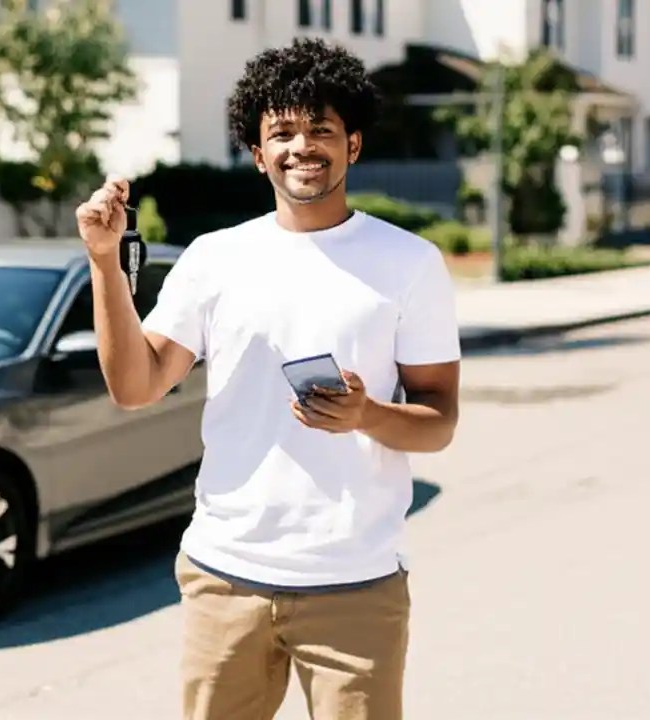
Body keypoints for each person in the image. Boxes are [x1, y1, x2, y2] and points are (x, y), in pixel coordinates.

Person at [74, 38, 462, 720]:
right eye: (282, 131)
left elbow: (440, 421)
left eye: (321, 130)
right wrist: (105, 265)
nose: (301, 146)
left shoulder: (411, 263)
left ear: (353, 145)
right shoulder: (215, 259)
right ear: (257, 152)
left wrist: (367, 414)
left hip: (355, 583)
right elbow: (135, 387)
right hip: (224, 577)